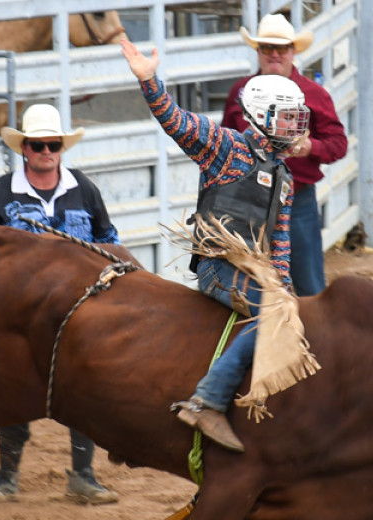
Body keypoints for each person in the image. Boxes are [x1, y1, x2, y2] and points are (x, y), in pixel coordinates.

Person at [120, 38, 310, 453]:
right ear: (262, 116)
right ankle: (207, 401)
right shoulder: (225, 147)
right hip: (217, 265)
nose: (297, 127)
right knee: (273, 316)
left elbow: (278, 240)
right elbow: (175, 119)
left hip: (253, 269)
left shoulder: (285, 176)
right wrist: (149, 81)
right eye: (289, 119)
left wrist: (283, 285)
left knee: (290, 308)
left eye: (300, 118)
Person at [0, 103, 121, 503]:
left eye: (53, 144)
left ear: (61, 148)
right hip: (20, 312)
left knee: (81, 387)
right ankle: (6, 477)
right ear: (25, 149)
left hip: (77, 311)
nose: (46, 151)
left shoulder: (83, 189)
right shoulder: (2, 193)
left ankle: (81, 475)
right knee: (14, 386)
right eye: (38, 145)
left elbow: (108, 239)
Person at [220, 14, 347, 297]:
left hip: (296, 200)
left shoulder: (314, 95)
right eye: (267, 47)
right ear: (258, 52)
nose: (274, 54)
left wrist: (310, 147)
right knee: (242, 287)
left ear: (293, 51)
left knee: (309, 286)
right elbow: (224, 143)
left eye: (281, 48)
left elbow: (338, 143)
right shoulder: (238, 94)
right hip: (246, 202)